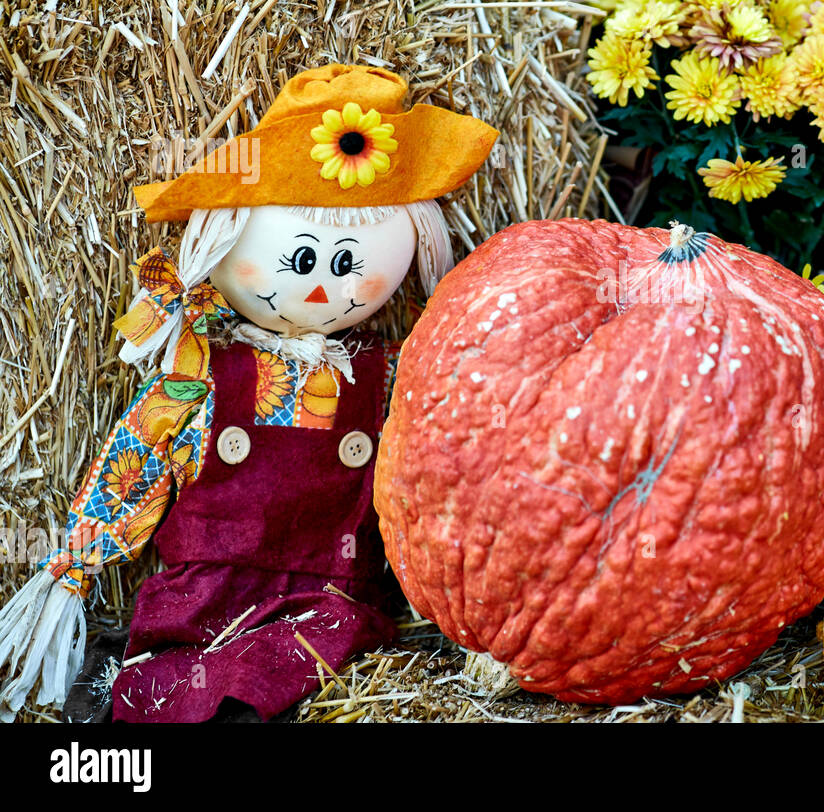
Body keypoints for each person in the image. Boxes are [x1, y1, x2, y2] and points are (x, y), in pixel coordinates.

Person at [0, 64, 497, 721]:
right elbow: (141, 460)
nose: (322, 286)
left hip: (332, 599)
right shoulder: (202, 375)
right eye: (299, 259)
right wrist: (77, 567)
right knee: (178, 683)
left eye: (348, 264)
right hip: (206, 594)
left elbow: (438, 475)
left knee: (293, 672)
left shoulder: (387, 380)